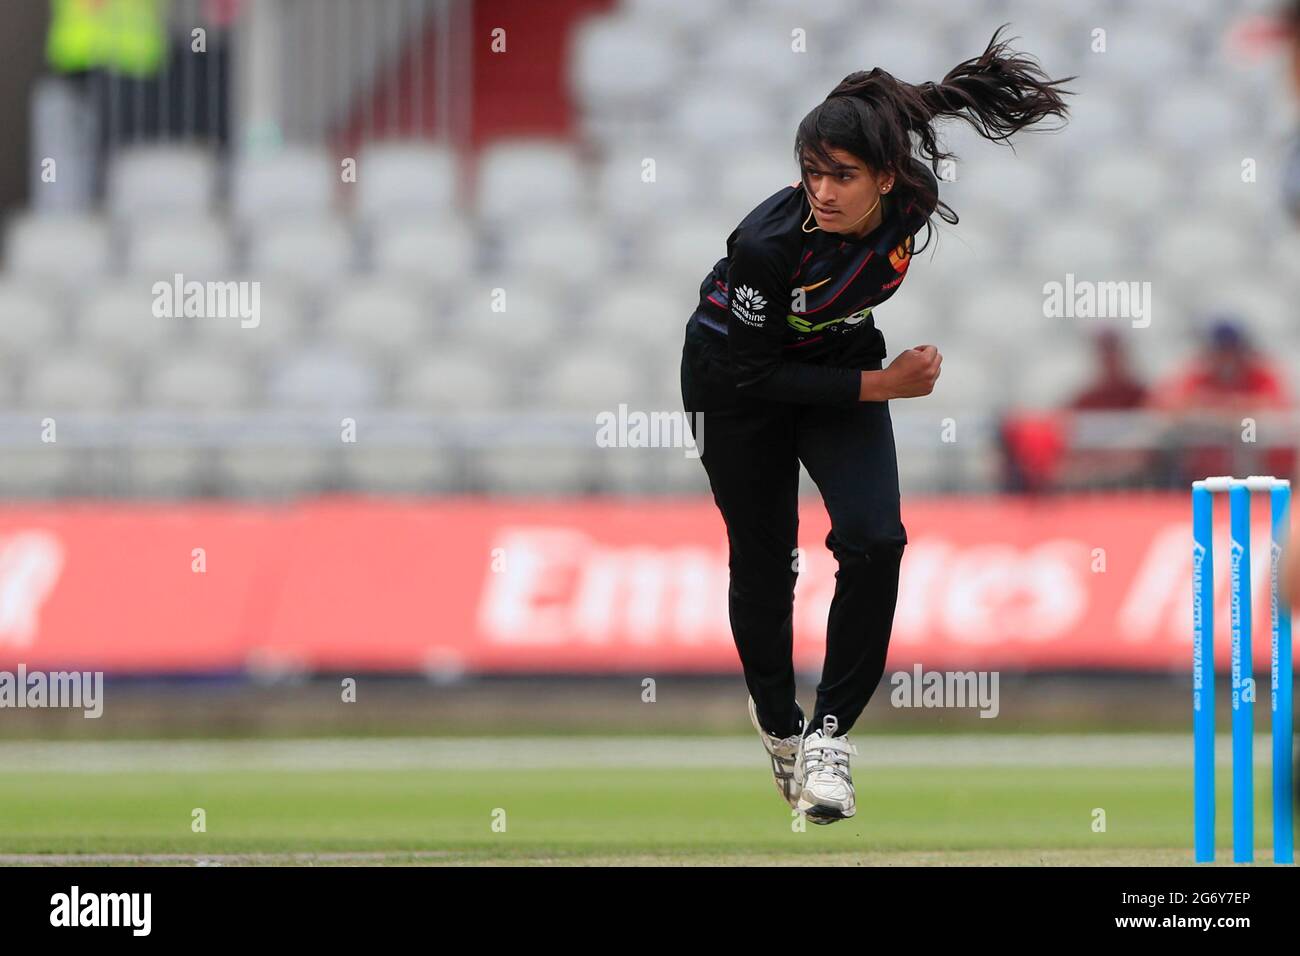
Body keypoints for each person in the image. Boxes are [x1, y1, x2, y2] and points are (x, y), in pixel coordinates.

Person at [679, 25, 1073, 824]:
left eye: (842, 175)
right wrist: (886, 385)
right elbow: (756, 373)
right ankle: (780, 725)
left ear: (887, 179)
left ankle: (829, 738)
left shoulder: (912, 202)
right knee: (766, 564)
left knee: (876, 538)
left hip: (837, 357)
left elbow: (911, 115)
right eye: (812, 173)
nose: (822, 191)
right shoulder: (766, 245)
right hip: (734, 384)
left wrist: (870, 378)